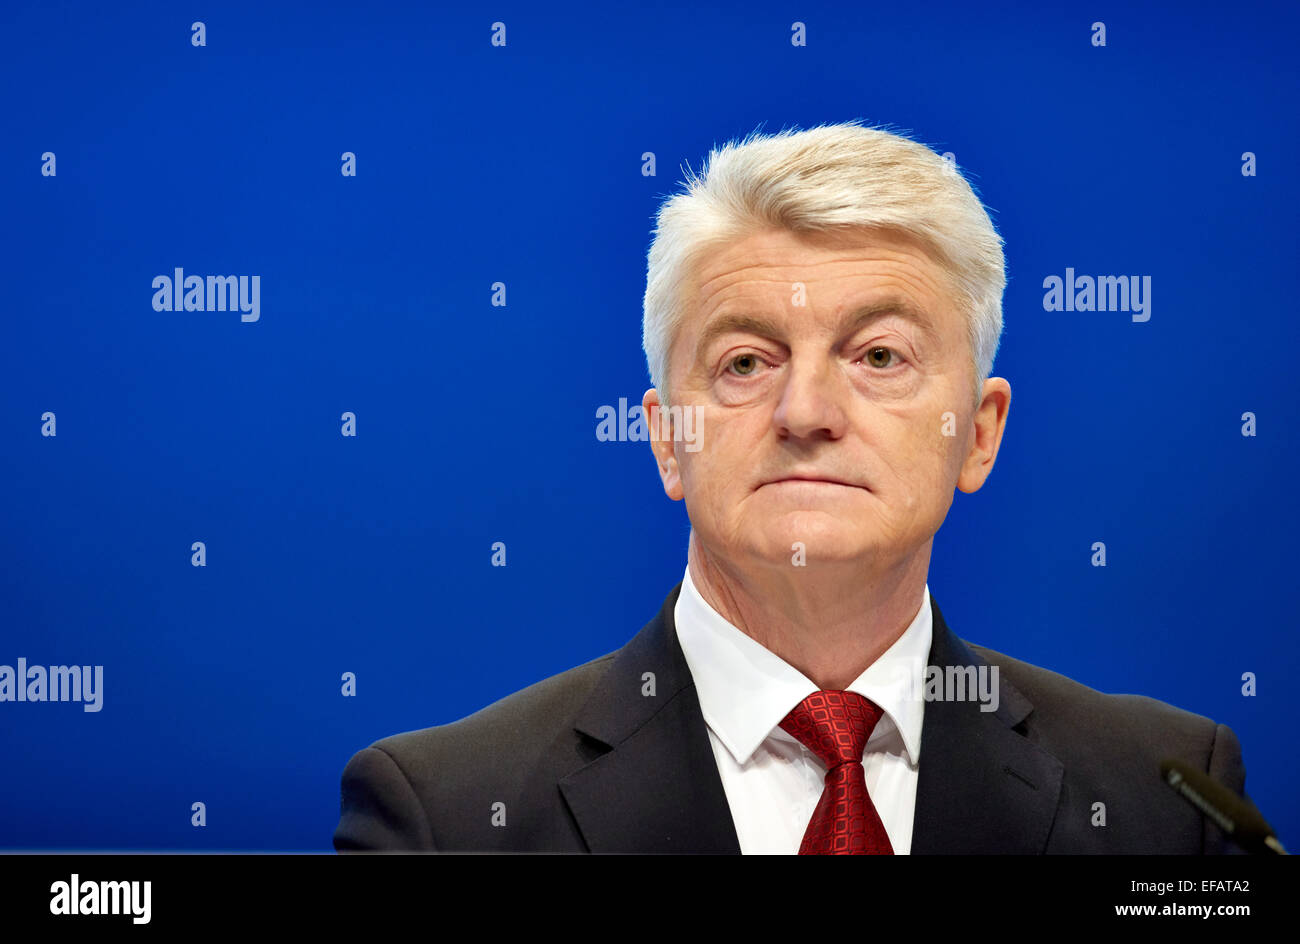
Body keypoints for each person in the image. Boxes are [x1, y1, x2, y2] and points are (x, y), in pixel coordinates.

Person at [333, 121, 1259, 853]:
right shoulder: (445, 820)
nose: (806, 410)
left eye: (880, 355)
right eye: (744, 362)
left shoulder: (1169, 799)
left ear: (978, 436)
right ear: (666, 440)